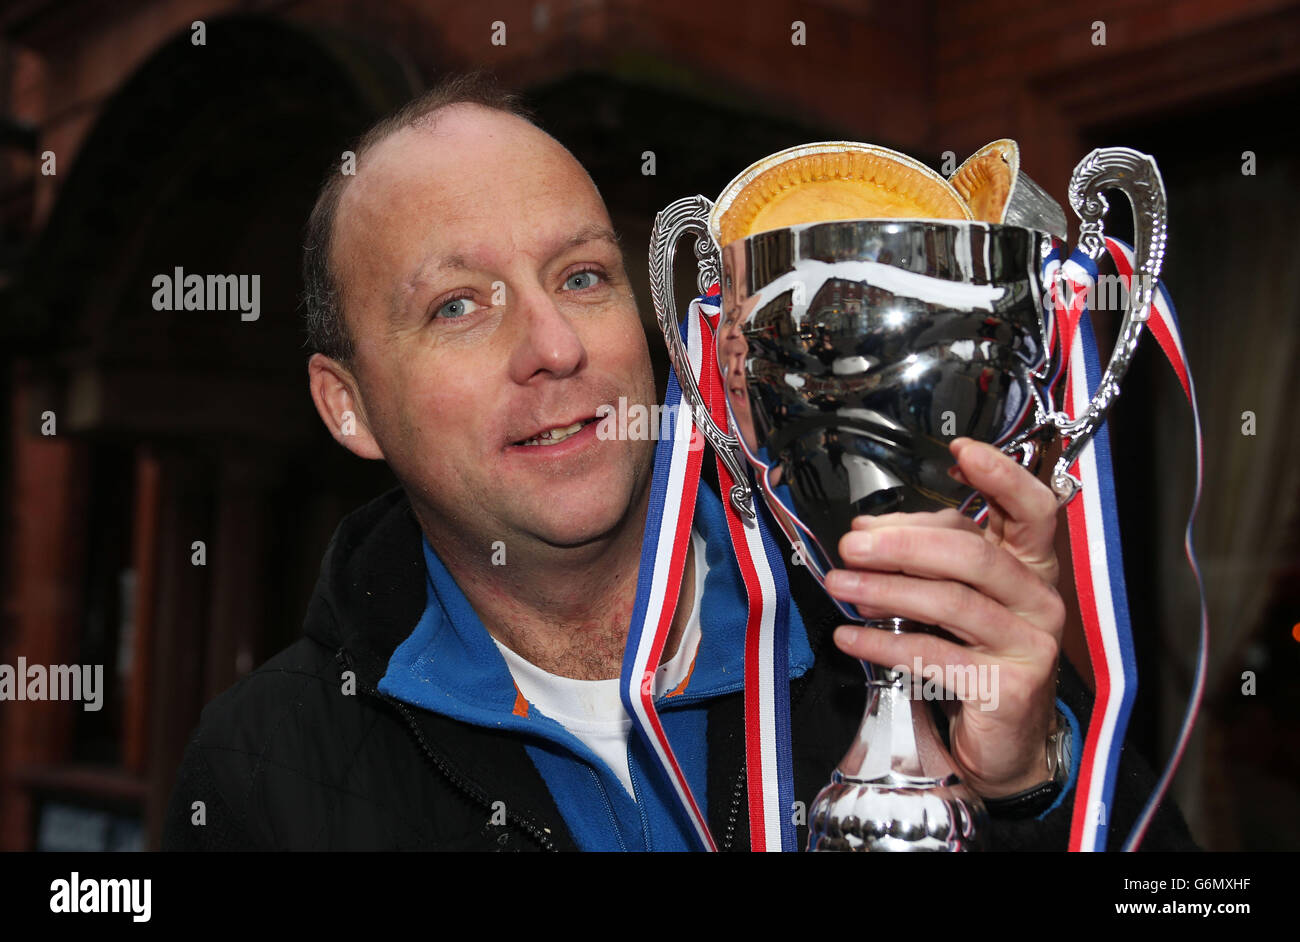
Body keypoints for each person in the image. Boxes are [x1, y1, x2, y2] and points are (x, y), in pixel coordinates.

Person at [162, 73, 1196, 852]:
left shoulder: (898, 628)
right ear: (348, 407)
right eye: (457, 305)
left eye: (581, 275)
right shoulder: (265, 768)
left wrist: (1034, 789)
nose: (555, 347)